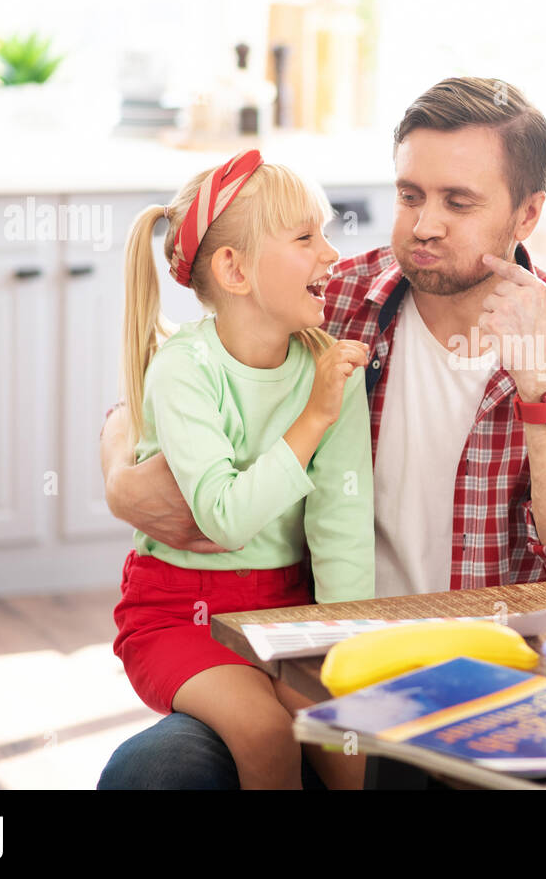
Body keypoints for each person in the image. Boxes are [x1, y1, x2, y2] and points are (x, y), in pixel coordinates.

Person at [97, 77, 546, 789]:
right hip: (317, 663)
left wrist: (543, 384)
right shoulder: (335, 301)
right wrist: (118, 474)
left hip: (484, 686)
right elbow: (173, 382)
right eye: (411, 195)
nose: (423, 225)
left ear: (528, 214)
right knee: (152, 774)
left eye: (459, 202)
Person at [108, 149, 375, 790]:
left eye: (327, 234)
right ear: (235, 268)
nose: (331, 254)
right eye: (306, 237)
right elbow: (225, 520)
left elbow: (342, 521)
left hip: (287, 609)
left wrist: (346, 643)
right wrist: (310, 419)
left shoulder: (328, 367)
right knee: (263, 732)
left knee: (345, 736)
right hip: (178, 614)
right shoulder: (185, 370)